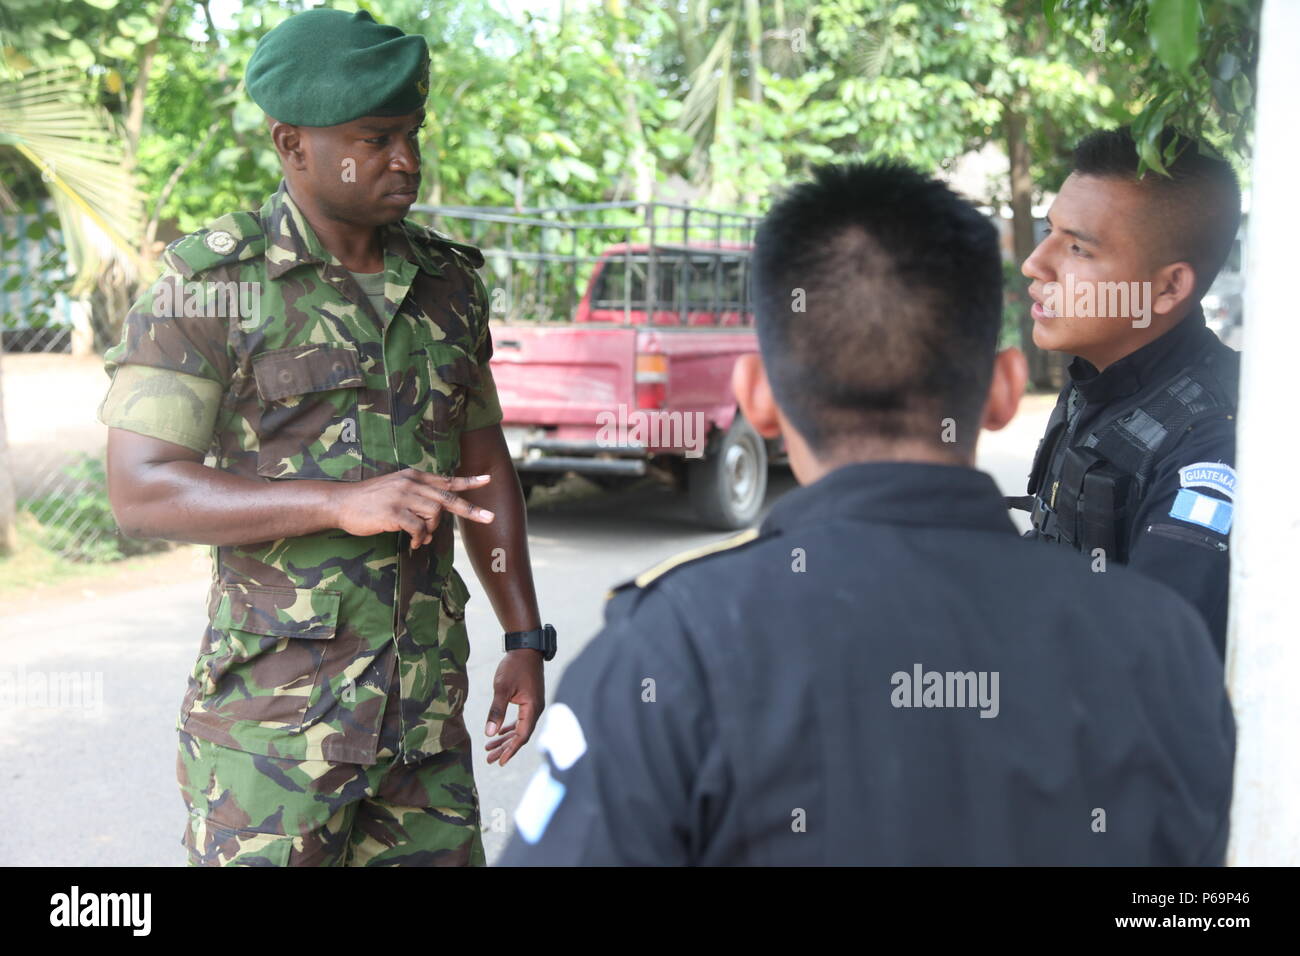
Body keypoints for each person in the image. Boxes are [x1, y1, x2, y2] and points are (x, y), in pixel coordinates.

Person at [499, 162, 1235, 866]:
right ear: (1006, 392)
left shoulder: (668, 653)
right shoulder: (1163, 647)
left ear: (757, 398)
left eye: (1076, 246)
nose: (1041, 264)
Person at [97, 8, 557, 867]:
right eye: (375, 137)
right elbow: (141, 489)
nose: (407, 159)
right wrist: (337, 503)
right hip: (271, 750)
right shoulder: (212, 286)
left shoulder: (449, 285)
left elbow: (483, 466)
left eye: (413, 133)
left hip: (423, 733)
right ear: (291, 143)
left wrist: (525, 637)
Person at [1016, 127, 1240, 658]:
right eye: (1049, 232)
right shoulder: (1097, 378)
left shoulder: (1213, 443)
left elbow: (1150, 676)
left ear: (1168, 288)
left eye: (1076, 248)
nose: (1035, 264)